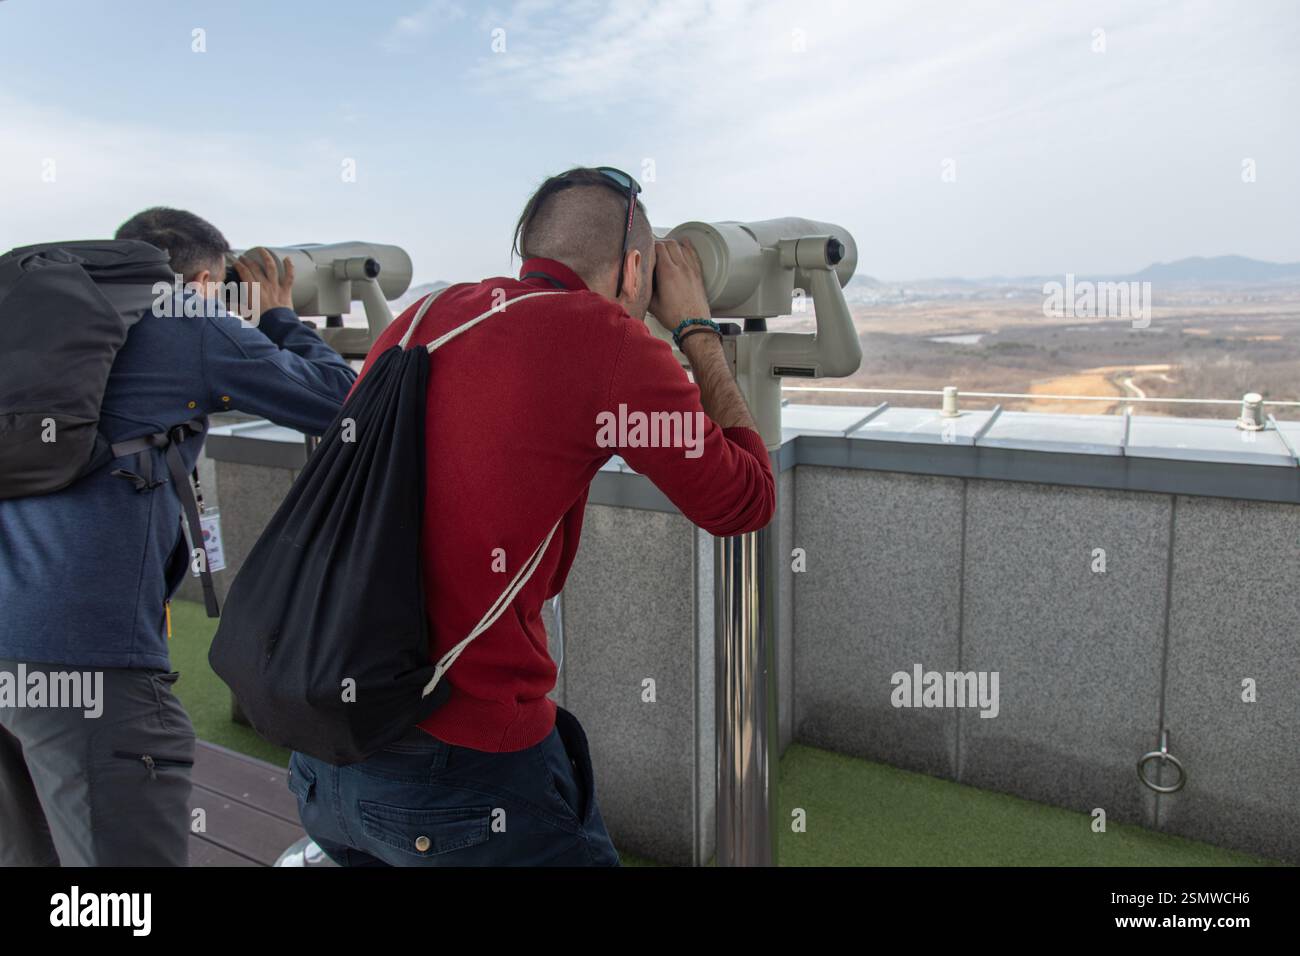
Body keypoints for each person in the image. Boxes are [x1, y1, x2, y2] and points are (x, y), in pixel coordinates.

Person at [288, 167, 775, 866]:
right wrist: (696, 330)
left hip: (322, 752)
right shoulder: (606, 340)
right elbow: (746, 500)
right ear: (637, 270)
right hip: (458, 778)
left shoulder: (423, 316)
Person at [0, 208, 356, 866]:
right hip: (87, 665)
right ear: (198, 280)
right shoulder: (179, 315)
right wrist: (277, 316)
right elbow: (351, 405)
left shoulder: (31, 319)